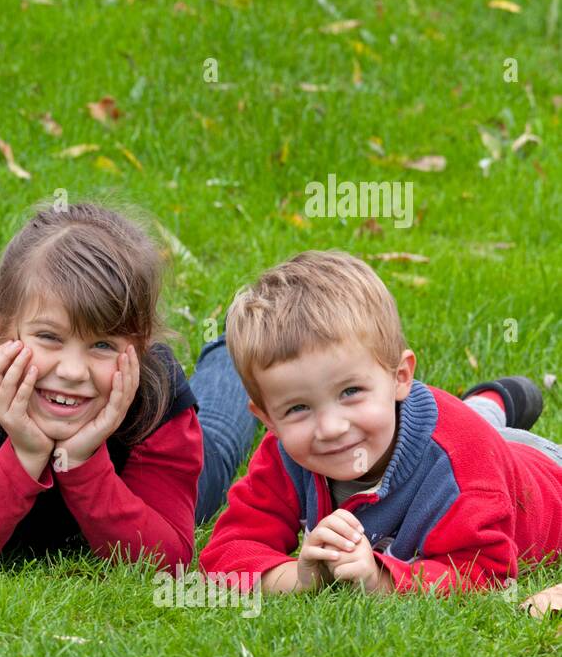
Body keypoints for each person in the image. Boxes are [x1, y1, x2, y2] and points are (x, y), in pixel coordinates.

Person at [0, 201, 257, 566]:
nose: (72, 371)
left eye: (102, 345)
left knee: (219, 442)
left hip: (140, 483)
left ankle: (236, 343)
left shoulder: (155, 392)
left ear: (141, 345)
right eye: (49, 337)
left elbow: (166, 561)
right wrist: (24, 456)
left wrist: (81, 461)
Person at [201, 249, 562, 594]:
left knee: (474, 434)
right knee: (466, 427)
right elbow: (227, 553)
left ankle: (488, 406)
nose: (331, 428)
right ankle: (489, 403)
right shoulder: (285, 455)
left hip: (540, 471)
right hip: (459, 435)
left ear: (400, 376)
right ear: (268, 419)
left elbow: (485, 572)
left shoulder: (461, 469)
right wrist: (300, 578)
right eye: (297, 409)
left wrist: (380, 579)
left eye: (350, 391)